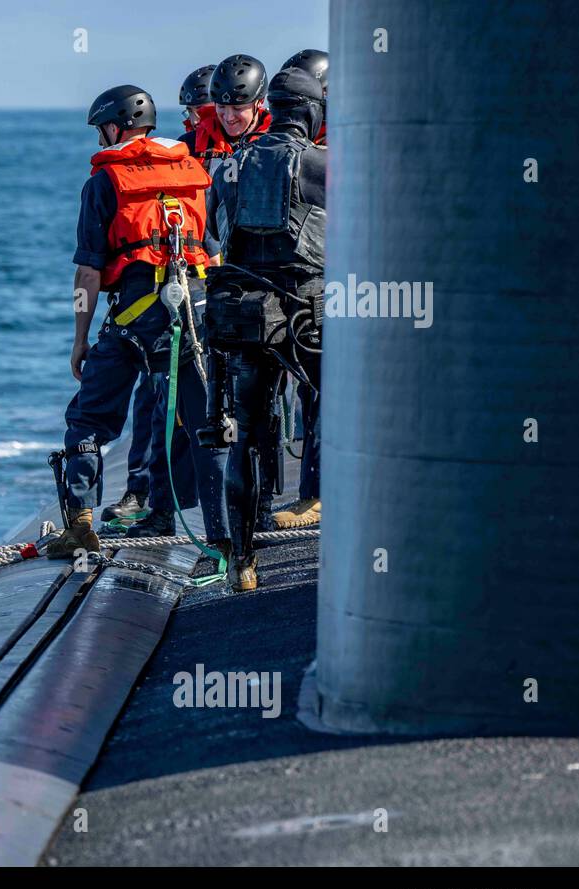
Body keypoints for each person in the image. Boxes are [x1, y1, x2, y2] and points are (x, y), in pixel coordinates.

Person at [48, 85, 227, 558]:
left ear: (114, 126)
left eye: (102, 129)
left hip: (134, 315)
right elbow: (212, 250)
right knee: (204, 422)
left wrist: (80, 340)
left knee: (88, 416)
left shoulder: (104, 182)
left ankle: (81, 524)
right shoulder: (190, 170)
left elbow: (88, 270)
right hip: (194, 309)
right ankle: (224, 537)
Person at [202, 66, 327, 591]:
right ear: (312, 113)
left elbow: (212, 235)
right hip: (307, 317)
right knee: (333, 414)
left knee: (246, 439)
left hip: (247, 317)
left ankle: (243, 563)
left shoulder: (226, 166)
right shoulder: (324, 164)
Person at [102, 66, 216, 532]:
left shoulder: (201, 162)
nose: (190, 121)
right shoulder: (189, 159)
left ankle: (170, 503)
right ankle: (153, 496)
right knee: (163, 401)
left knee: (182, 406)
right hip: (187, 298)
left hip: (193, 298)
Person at [271, 48, 328, 530]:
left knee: (322, 395)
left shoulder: (325, 157)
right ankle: (309, 493)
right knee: (314, 395)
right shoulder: (318, 156)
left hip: (317, 293)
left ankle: (316, 494)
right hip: (299, 294)